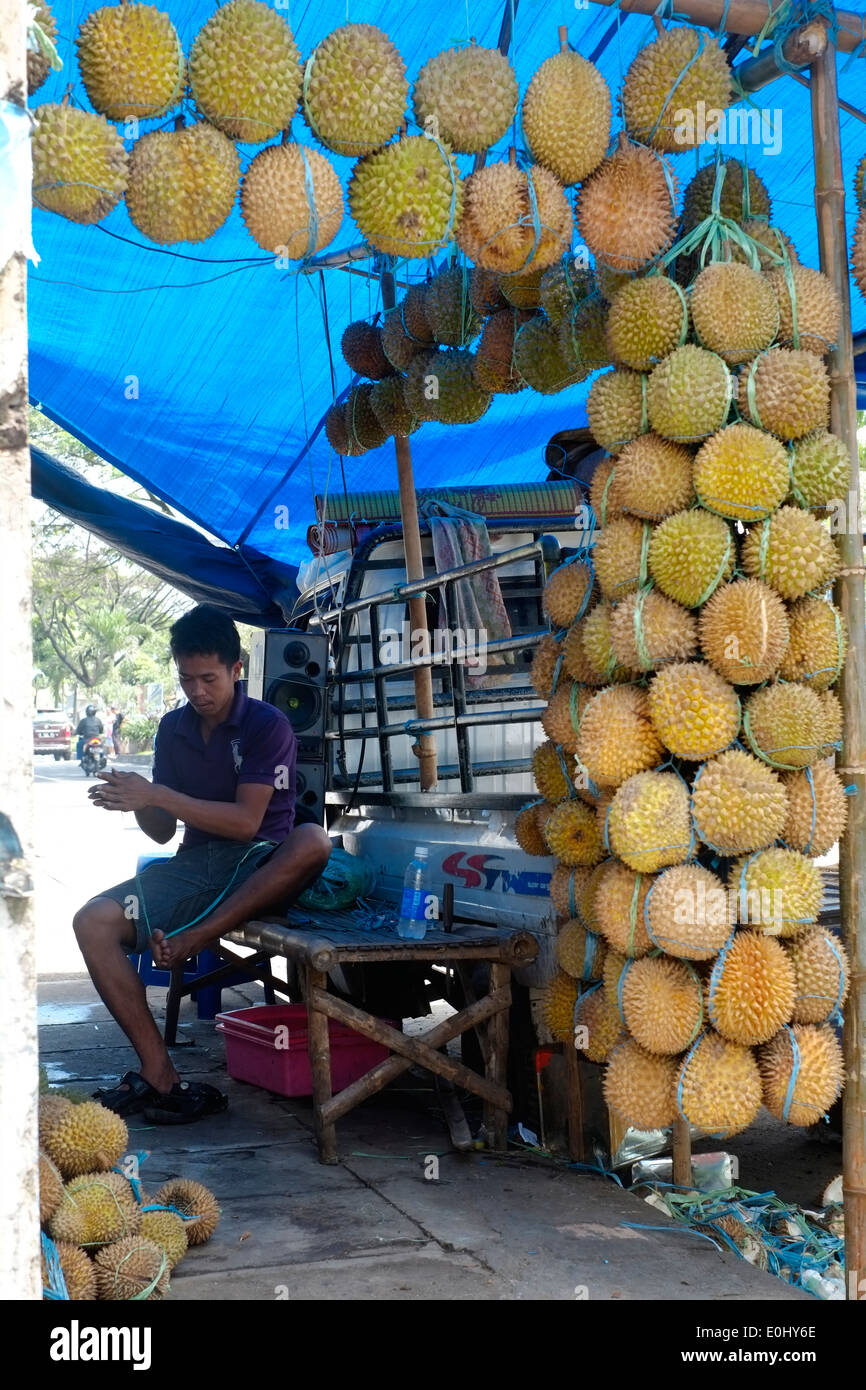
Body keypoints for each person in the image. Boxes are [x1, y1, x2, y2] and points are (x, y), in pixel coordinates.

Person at [74, 604, 331, 1123]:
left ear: (236, 670)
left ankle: (194, 938)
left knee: (313, 840)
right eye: (186, 678)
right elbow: (163, 832)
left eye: (209, 678)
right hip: (197, 866)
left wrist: (160, 792)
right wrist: (140, 799)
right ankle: (158, 1073)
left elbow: (245, 823)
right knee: (91, 922)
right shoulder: (173, 729)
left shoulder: (268, 725)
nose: (197, 691)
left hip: (261, 864)